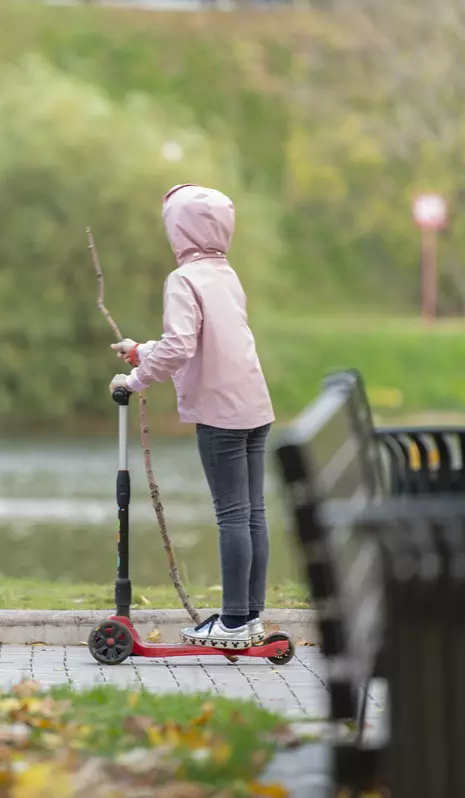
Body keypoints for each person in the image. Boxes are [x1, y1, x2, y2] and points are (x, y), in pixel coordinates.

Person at [109, 183, 276, 650]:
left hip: (220, 412)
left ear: (178, 229)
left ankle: (235, 620)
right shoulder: (227, 275)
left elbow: (182, 345)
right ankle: (251, 617)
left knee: (231, 514)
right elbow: (196, 341)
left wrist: (135, 380)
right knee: (252, 512)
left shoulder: (183, 280)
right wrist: (142, 351)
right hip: (254, 404)